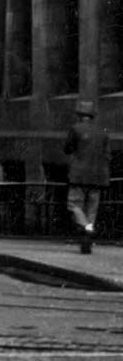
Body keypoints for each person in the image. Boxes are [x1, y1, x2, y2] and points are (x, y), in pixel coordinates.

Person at [63, 99, 111, 254]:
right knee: (92, 209)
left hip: (78, 176)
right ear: (93, 116)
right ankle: (88, 234)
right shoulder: (102, 131)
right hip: (98, 177)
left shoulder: (75, 129)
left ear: (79, 115)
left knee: (74, 205)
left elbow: (68, 149)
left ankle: (85, 227)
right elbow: (107, 155)